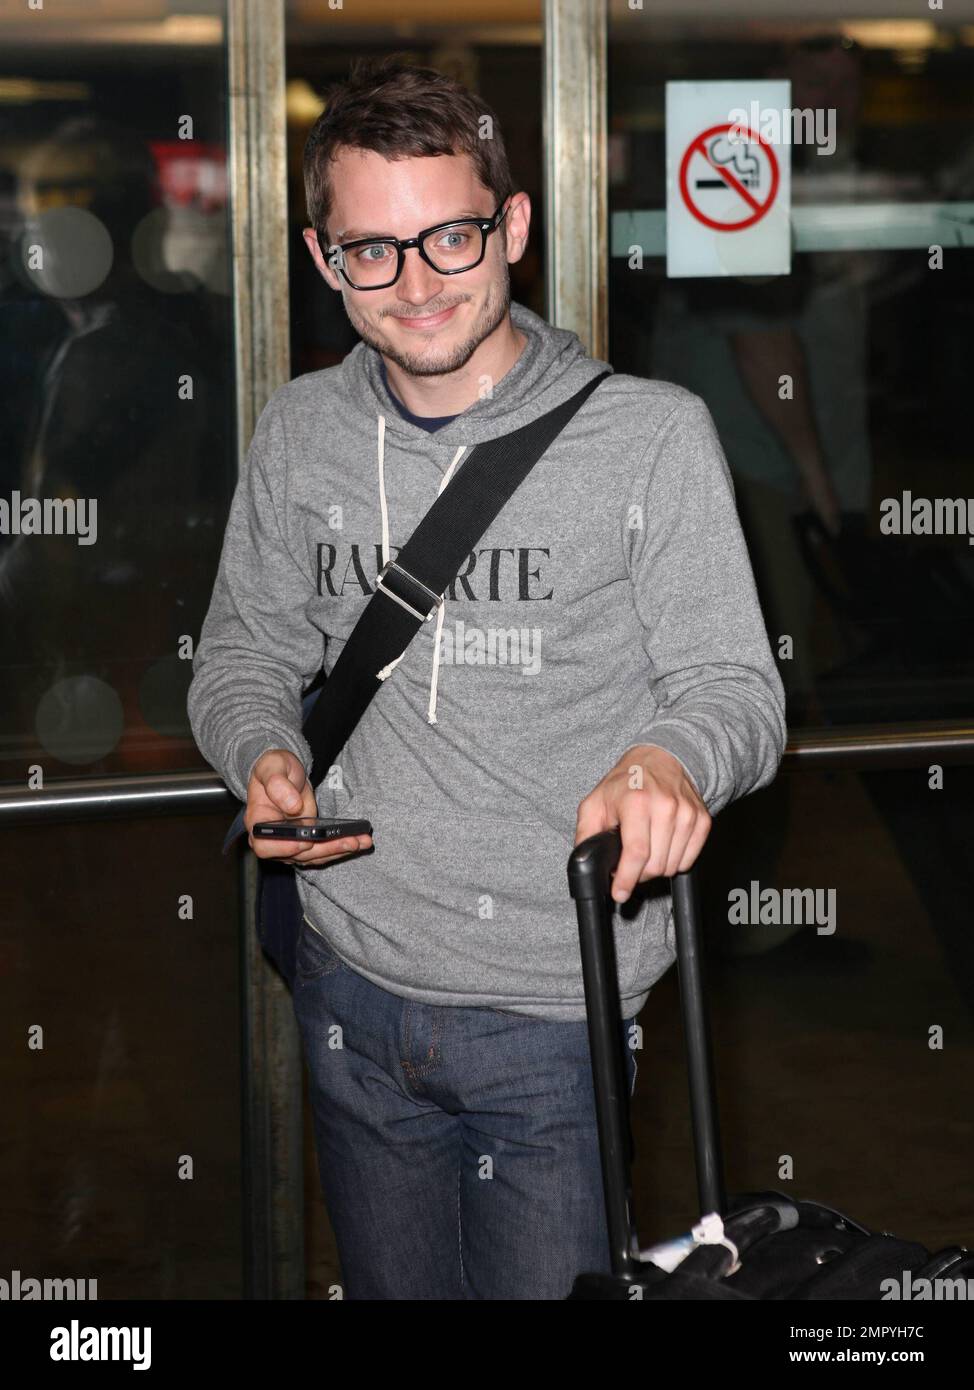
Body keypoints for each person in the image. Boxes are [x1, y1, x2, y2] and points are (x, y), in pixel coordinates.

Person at [186, 56, 786, 1300]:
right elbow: (242, 652)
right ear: (320, 257)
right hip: (346, 983)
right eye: (372, 251)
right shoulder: (297, 431)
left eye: (449, 237)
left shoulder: (648, 433)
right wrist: (262, 754)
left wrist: (664, 761)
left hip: (551, 1011)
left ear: (511, 225)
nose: (416, 285)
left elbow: (735, 687)